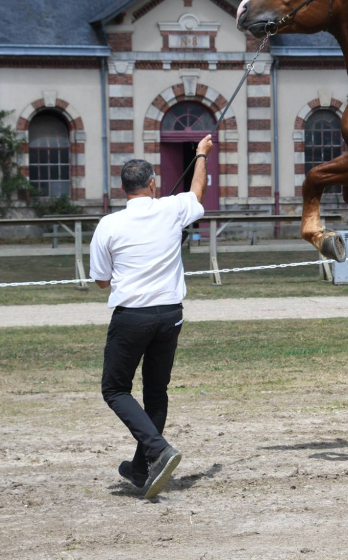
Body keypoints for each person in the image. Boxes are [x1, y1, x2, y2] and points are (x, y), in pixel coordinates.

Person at [89, 135, 212, 499]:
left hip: (132, 316)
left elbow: (101, 281)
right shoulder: (173, 209)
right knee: (155, 391)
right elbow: (198, 190)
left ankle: (158, 451)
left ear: (122, 189)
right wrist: (201, 154)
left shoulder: (108, 225)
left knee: (114, 389)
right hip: (170, 314)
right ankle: (141, 468)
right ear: (153, 183)